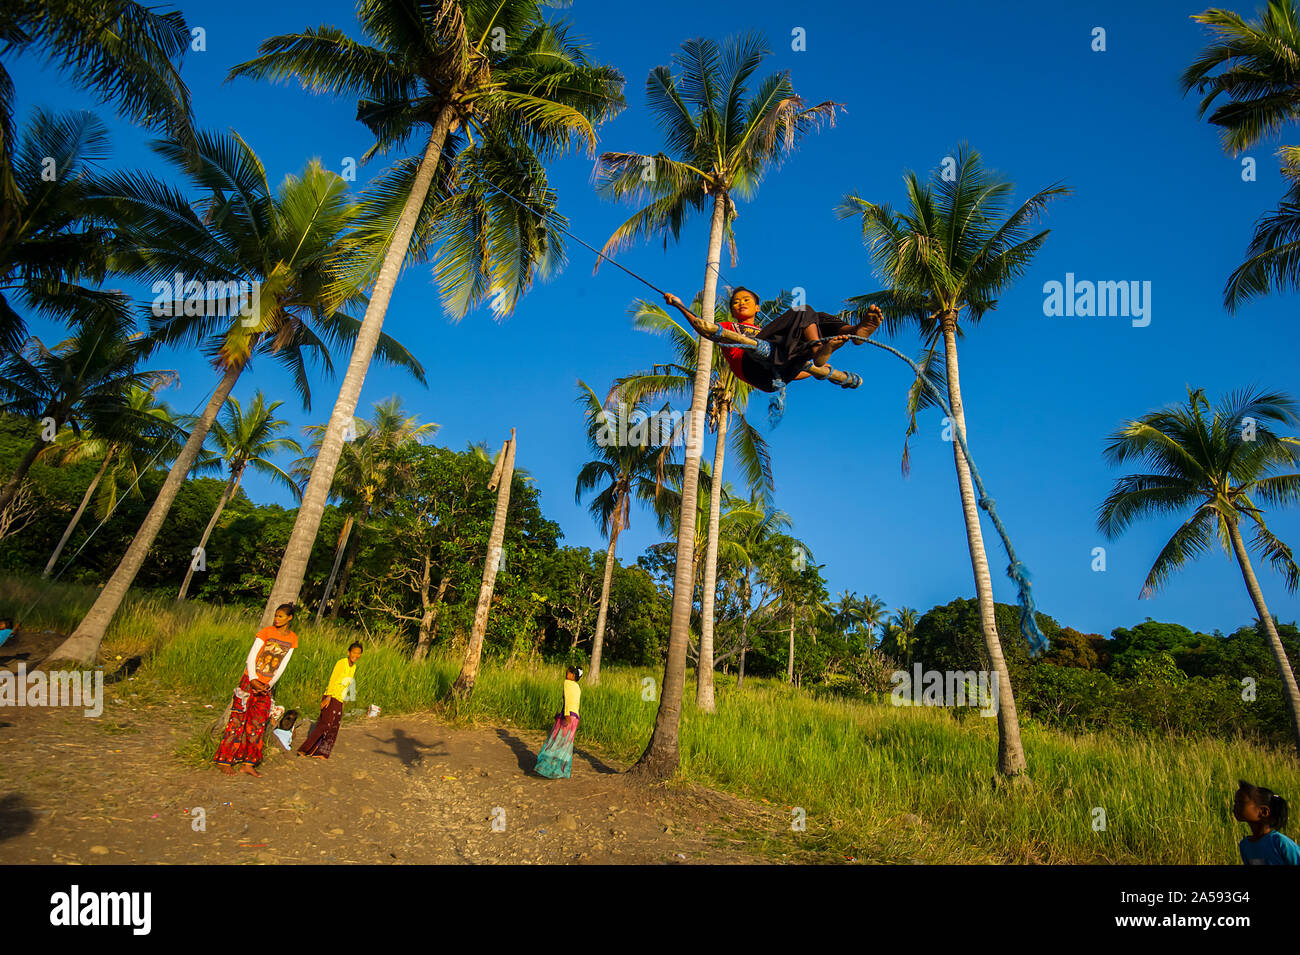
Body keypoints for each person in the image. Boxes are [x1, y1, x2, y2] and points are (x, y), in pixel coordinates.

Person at [662, 287, 883, 394]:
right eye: (736, 302)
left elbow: (790, 372)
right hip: (753, 367)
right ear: (732, 310)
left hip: (778, 374)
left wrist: (818, 372)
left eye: (746, 300)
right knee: (804, 311)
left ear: (757, 307)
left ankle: (854, 331)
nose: (740, 303)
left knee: (817, 318)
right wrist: (679, 305)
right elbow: (704, 328)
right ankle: (818, 349)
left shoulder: (767, 330)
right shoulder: (730, 328)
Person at [214, 603, 298, 777]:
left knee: (257, 724)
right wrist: (253, 679)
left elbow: (283, 664)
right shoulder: (266, 632)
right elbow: (251, 656)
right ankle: (225, 760)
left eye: (281, 616)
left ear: (289, 618)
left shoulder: (292, 639)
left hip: (266, 686)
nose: (277, 619)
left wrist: (269, 684)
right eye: (276, 615)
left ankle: (248, 763)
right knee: (237, 720)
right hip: (249, 681)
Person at [299, 642, 362, 760]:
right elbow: (333, 679)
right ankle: (304, 749)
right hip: (331, 696)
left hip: (339, 699)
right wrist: (328, 697)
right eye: (354, 652)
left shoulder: (353, 667)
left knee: (334, 726)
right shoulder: (341, 663)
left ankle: (322, 752)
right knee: (324, 724)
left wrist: (343, 700)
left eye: (359, 654)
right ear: (349, 652)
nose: (356, 655)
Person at [1233, 779, 1300, 864]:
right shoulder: (1245, 845)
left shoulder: (1279, 842)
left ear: (1264, 811)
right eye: (1235, 802)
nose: (1235, 806)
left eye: (1241, 802)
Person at [535, 665, 582, 779]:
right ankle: (560, 769)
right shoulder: (577, 687)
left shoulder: (567, 683)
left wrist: (565, 715)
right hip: (575, 718)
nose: (566, 675)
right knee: (566, 743)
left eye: (568, 673)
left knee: (556, 740)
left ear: (573, 675)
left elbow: (568, 700)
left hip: (568, 716)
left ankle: (548, 768)